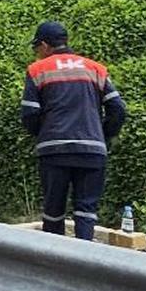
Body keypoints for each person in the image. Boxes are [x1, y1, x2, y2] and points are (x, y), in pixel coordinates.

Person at [20, 21, 126, 240]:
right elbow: (117, 108)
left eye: (36, 48)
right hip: (92, 151)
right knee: (86, 211)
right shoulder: (95, 68)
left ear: (45, 45)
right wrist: (102, 134)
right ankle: (83, 265)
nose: (37, 53)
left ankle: (54, 265)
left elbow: (30, 113)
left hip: (54, 151)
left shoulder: (38, 69)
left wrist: (44, 133)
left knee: (53, 212)